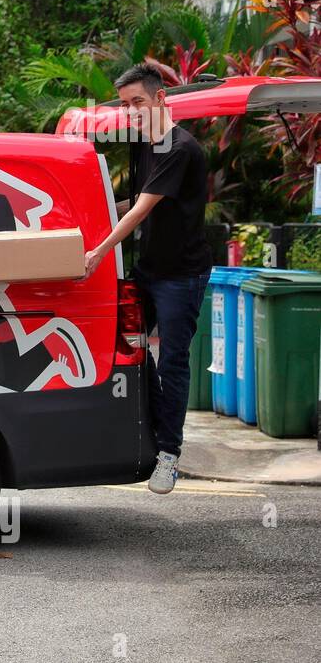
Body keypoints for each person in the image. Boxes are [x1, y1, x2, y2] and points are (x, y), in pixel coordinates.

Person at [84, 62, 213, 494]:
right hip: (148, 269)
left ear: (160, 98)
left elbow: (142, 209)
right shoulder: (143, 145)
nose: (131, 112)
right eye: (125, 106)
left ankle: (169, 454)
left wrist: (99, 251)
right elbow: (130, 201)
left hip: (181, 276)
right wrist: (84, 216)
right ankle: (143, 437)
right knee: (130, 352)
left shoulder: (180, 148)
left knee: (172, 360)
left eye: (137, 102)